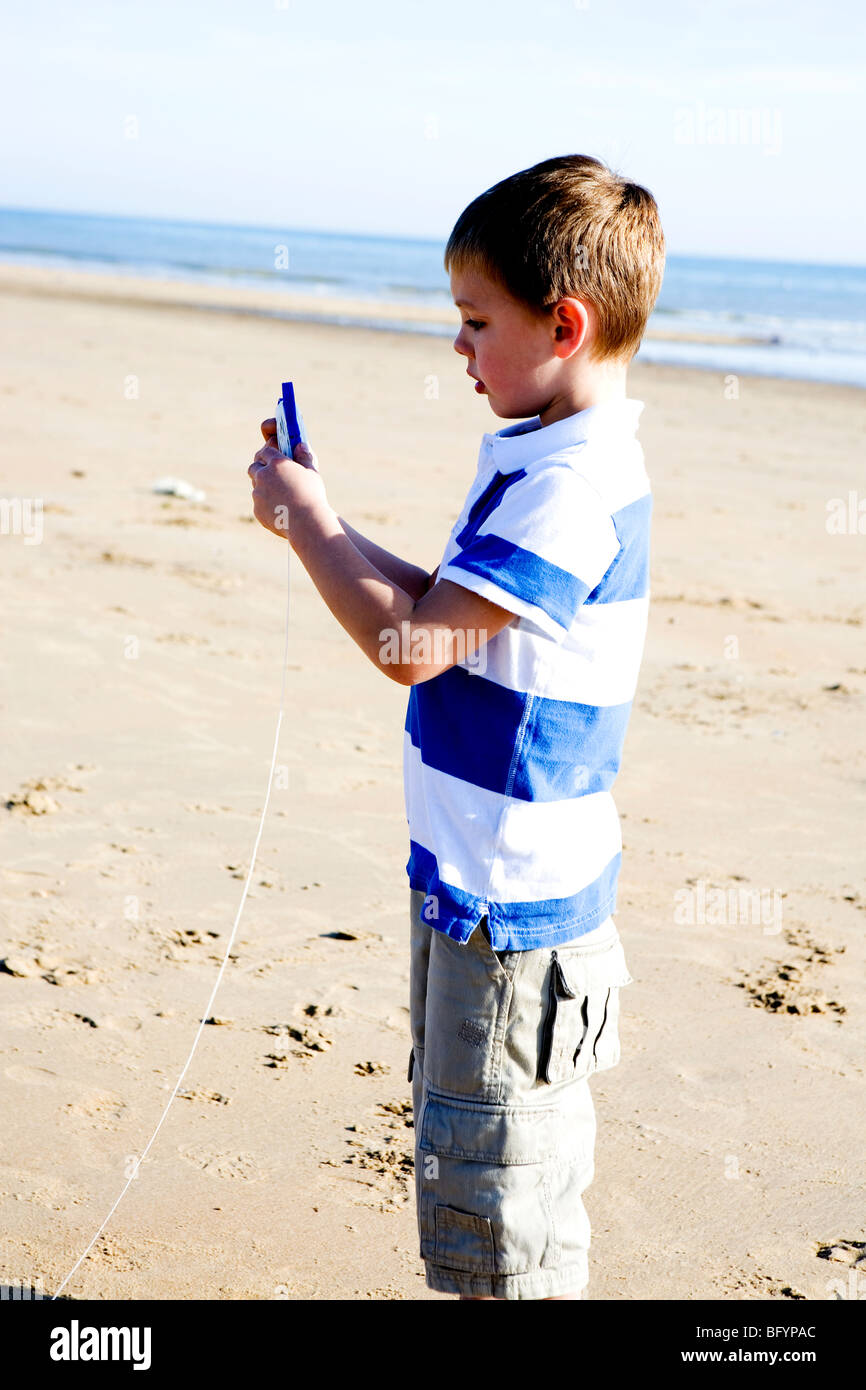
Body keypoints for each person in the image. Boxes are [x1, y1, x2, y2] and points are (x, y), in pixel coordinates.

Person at [248, 153, 665, 1299]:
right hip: (471, 888)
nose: (460, 347)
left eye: (476, 322)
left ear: (563, 324)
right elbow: (441, 602)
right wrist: (327, 524)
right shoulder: (549, 455)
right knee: (472, 1165)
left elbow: (409, 646)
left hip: (510, 916)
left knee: (498, 1218)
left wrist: (304, 528)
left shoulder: (568, 489)